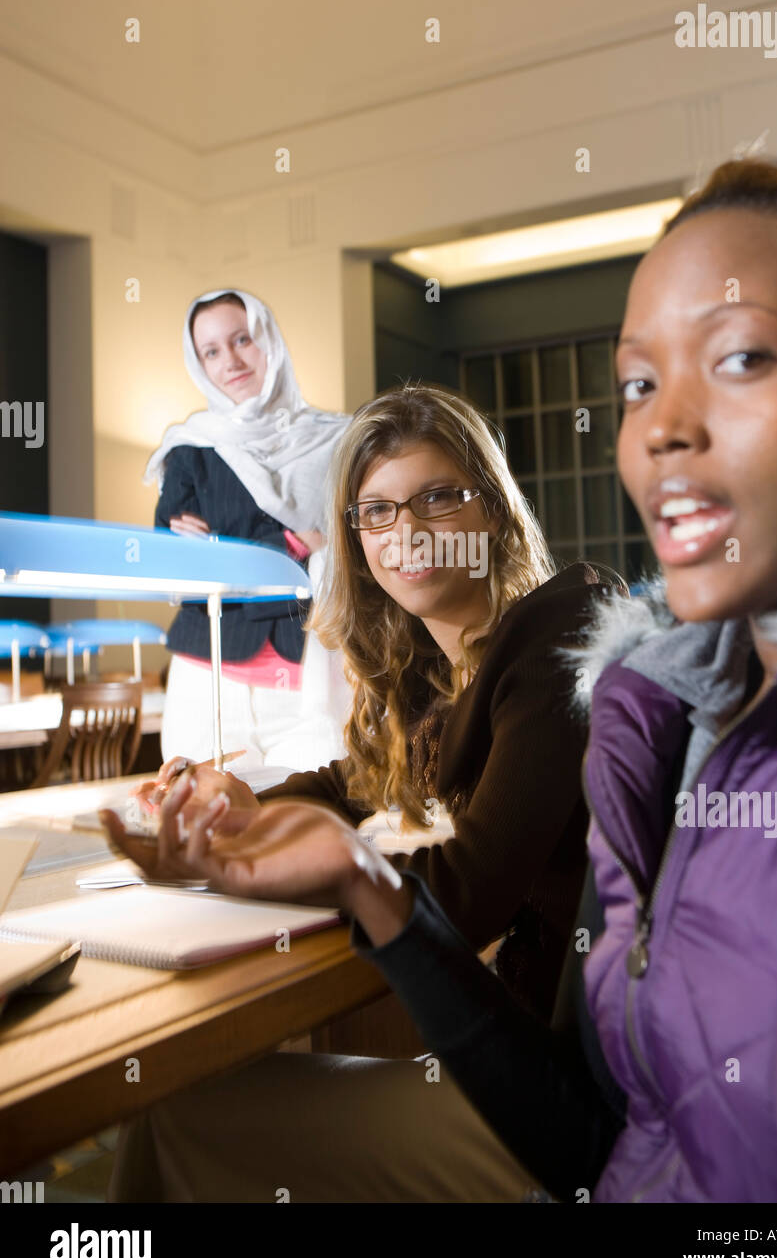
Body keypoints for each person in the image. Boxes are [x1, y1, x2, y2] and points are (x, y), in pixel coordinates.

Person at [103, 383, 626, 1202]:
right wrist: (242, 802)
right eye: (375, 512)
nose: (406, 532)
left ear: (491, 509)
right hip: (502, 1059)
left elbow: (465, 897)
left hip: (570, 1110)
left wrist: (296, 858)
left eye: (437, 499)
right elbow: (348, 788)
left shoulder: (557, 630)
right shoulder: (433, 680)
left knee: (173, 1121)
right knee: (176, 1111)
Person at [145, 289, 350, 770]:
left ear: (270, 340)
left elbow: (353, 540)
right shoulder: (190, 447)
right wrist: (294, 543)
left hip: (307, 679)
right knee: (203, 827)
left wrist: (224, 550)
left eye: (242, 340)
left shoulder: (339, 439)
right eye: (211, 352)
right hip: (207, 677)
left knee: (307, 823)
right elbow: (175, 565)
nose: (230, 361)